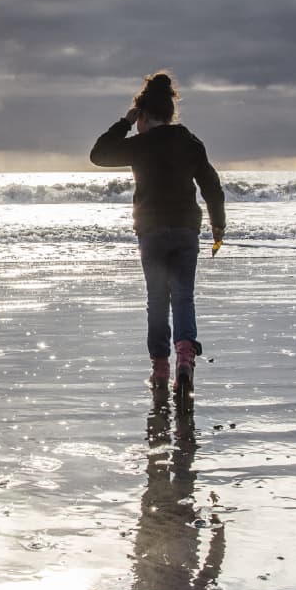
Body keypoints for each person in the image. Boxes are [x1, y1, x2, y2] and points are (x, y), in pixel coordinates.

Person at [90, 71, 225, 410]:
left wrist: (123, 122)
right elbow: (210, 183)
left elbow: (99, 154)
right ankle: (185, 358)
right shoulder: (190, 142)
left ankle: (160, 368)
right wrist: (218, 225)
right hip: (185, 230)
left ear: (145, 116)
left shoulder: (139, 144)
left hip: (150, 231)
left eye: (138, 119)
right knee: (183, 296)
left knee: (157, 299)